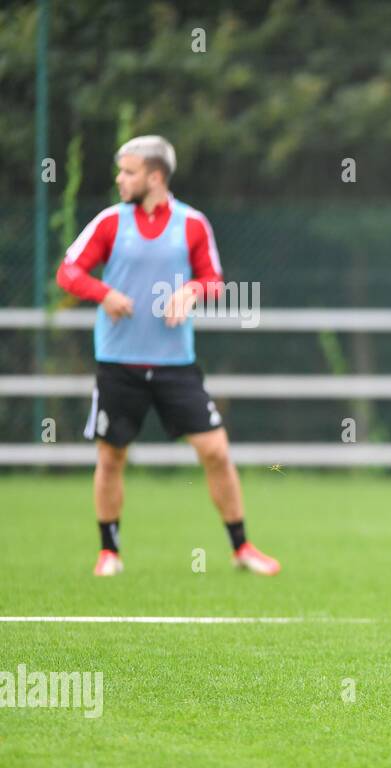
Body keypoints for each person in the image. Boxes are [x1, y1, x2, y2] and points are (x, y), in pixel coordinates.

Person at [57, 135, 281, 577]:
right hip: (119, 363)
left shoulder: (193, 223)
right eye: (121, 171)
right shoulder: (109, 222)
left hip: (176, 365)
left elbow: (214, 280)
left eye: (129, 171)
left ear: (155, 176)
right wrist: (103, 294)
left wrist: (191, 290)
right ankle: (109, 552)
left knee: (216, 452)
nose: (121, 179)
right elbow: (69, 271)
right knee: (111, 457)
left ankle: (241, 547)